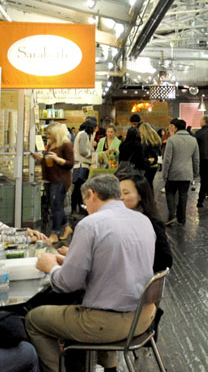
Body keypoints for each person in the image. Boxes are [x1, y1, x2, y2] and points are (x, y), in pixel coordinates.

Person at [25, 174, 156, 372]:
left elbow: (67, 284)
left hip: (107, 324)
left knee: (34, 319)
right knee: (100, 299)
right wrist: (68, 262)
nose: (87, 208)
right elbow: (116, 267)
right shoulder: (144, 221)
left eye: (85, 201)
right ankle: (108, 367)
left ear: (92, 194)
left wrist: (50, 267)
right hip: (143, 317)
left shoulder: (91, 224)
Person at [118, 174, 173, 273]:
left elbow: (166, 260)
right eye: (118, 193)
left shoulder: (151, 223)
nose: (120, 198)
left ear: (140, 196)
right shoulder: (115, 219)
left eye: (126, 193)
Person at [30, 123, 74, 244]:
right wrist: (39, 158)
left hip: (60, 179)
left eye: (49, 134)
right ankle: (67, 227)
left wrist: (57, 159)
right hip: (50, 178)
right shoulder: (51, 145)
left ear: (56, 133)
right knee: (55, 205)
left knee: (56, 206)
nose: (47, 136)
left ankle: (55, 233)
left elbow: (70, 164)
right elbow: (47, 161)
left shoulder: (66, 145)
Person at [161, 118, 199, 226]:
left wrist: (165, 174)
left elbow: (167, 159)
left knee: (170, 193)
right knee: (183, 195)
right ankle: (182, 218)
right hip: (187, 173)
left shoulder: (172, 140)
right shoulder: (193, 140)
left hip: (173, 173)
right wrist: (196, 173)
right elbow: (196, 159)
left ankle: (172, 215)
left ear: (176, 128)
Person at [71, 120, 96, 217]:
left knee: (78, 188)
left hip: (80, 165)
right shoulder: (83, 135)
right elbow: (83, 150)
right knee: (78, 188)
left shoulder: (81, 134)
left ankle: (77, 207)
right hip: (81, 165)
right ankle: (74, 208)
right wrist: (91, 154)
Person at [139, 122, 163, 187]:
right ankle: (151, 196)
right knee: (149, 183)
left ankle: (149, 197)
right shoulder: (155, 139)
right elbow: (159, 153)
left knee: (146, 184)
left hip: (148, 164)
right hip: (155, 164)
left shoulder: (145, 142)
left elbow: (143, 153)